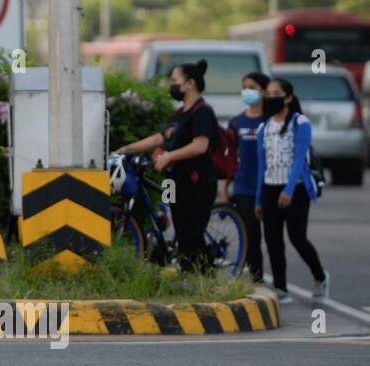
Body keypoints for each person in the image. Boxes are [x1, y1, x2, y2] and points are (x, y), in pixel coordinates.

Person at [114, 59, 218, 272]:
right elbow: (159, 138)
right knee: (182, 233)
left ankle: (202, 278)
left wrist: (170, 156)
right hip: (177, 181)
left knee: (191, 234)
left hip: (198, 181)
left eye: (174, 81)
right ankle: (193, 274)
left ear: (190, 84)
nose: (172, 86)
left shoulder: (203, 111)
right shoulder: (179, 115)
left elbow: (200, 145)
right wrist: (126, 149)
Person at [254, 77, 328, 305]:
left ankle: (320, 276)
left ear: (287, 97)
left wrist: (288, 190)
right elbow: (261, 165)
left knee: (297, 238)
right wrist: (259, 199)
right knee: (273, 240)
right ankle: (281, 288)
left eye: (276, 93)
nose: (270, 98)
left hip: (295, 189)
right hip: (269, 188)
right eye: (267, 93)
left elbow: (299, 160)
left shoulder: (301, 123)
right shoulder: (263, 127)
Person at [224, 71, 269, 283]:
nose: (247, 91)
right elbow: (230, 159)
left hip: (269, 186)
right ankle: (256, 278)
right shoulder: (236, 122)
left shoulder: (271, 121)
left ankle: (280, 284)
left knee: (273, 237)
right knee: (251, 236)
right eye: (245, 86)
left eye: (251, 87)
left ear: (263, 91)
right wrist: (225, 189)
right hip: (243, 188)